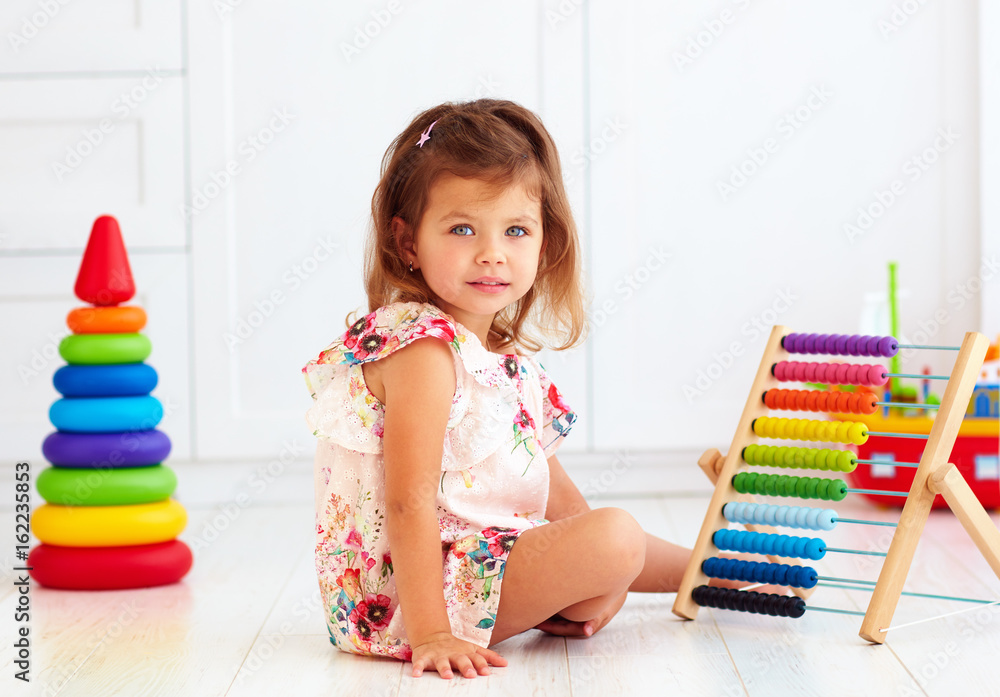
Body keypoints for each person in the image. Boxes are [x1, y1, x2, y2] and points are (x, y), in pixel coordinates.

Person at [302, 99, 694, 681]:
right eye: (462, 228)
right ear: (408, 243)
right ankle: (693, 569)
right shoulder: (424, 351)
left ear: (543, 241)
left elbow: (561, 502)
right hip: (407, 602)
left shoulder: (503, 365)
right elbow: (407, 500)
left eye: (515, 229)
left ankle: (715, 571)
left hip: (480, 562)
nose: (492, 252)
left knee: (614, 541)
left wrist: (607, 580)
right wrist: (432, 633)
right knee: (617, 536)